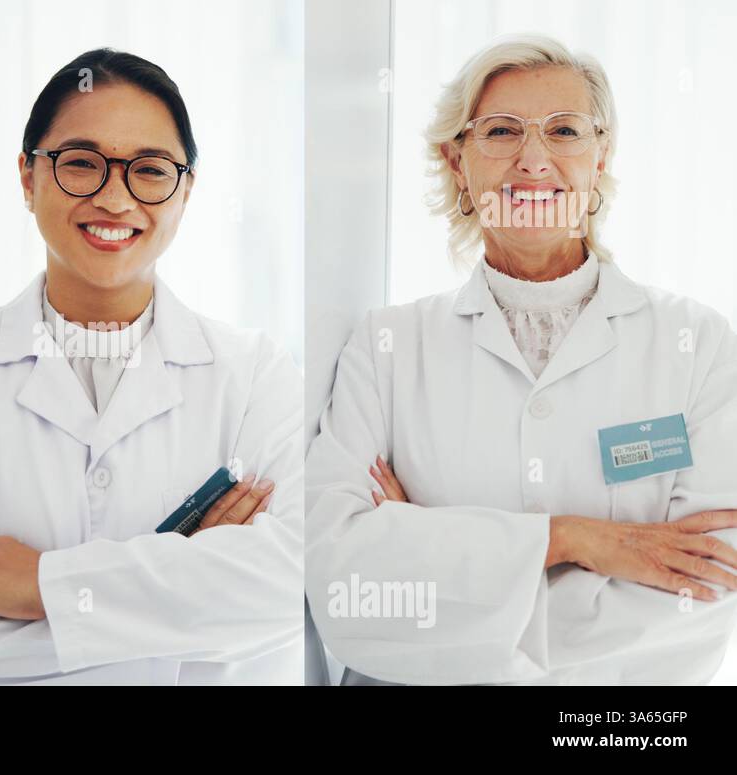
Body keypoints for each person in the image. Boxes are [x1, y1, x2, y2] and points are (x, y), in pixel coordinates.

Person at [306, 34, 737, 685]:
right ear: (458, 163)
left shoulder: (697, 344)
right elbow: (342, 590)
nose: (533, 161)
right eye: (502, 131)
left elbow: (707, 587)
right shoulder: (387, 346)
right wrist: (570, 539)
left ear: (600, 157)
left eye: (564, 130)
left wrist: (437, 570)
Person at [0, 48, 306, 685]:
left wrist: (42, 585)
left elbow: (291, 585)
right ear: (27, 177)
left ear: (186, 190)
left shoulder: (253, 374)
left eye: (150, 171)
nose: (114, 198)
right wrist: (187, 618)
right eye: (81, 163)